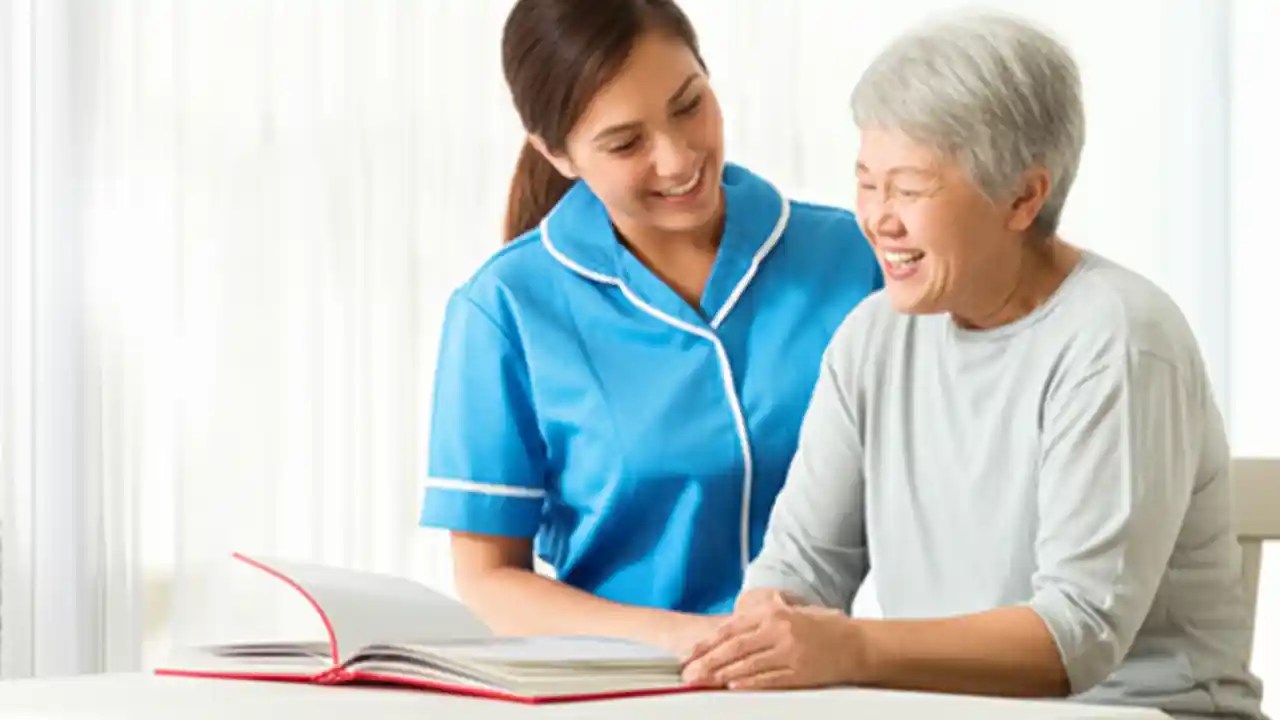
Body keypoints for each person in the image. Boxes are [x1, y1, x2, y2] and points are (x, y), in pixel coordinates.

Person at [682, 11, 1265, 719]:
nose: (877, 218)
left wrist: (853, 650)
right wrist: (769, 634)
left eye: (909, 189)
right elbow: (801, 567)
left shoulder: (1117, 338)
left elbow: (1075, 635)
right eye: (867, 181)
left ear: (1023, 196)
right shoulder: (873, 337)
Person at [418, 0, 882, 657]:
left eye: (690, 104)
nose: (677, 158)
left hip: (840, 681)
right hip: (623, 684)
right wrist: (697, 641)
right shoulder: (504, 310)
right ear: (558, 152)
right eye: (626, 142)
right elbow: (489, 578)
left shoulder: (853, 261)